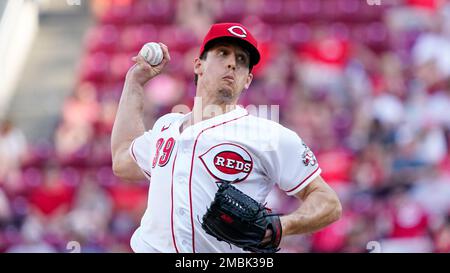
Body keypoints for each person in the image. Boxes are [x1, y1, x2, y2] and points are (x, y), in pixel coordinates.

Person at [111, 22, 342, 253]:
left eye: (242, 60)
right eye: (222, 53)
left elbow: (328, 202)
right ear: (198, 65)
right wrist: (134, 82)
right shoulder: (167, 127)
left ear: (248, 79)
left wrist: (282, 225)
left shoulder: (267, 134)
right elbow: (122, 161)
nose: (232, 63)